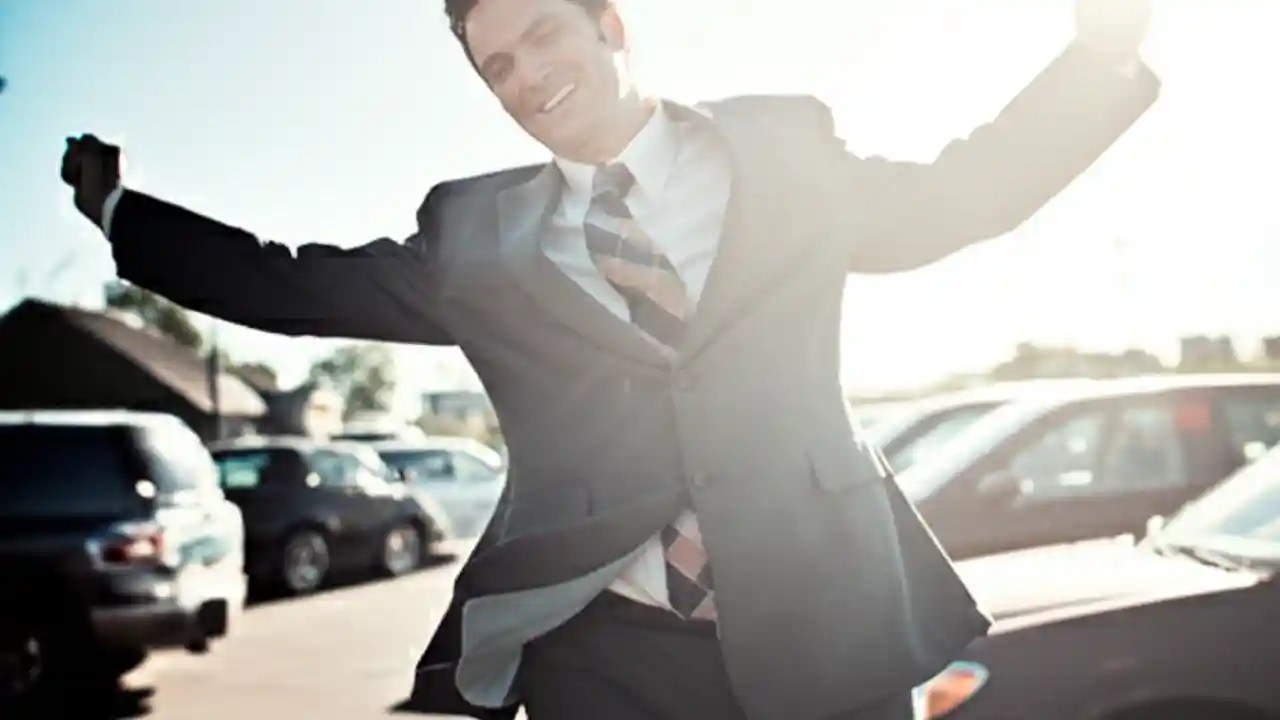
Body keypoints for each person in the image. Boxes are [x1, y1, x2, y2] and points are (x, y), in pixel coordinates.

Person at [60, 0, 1159, 717]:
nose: (525, 75)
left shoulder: (781, 150)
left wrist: (1098, 59)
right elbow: (290, 287)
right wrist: (122, 214)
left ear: (611, 25)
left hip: (821, 611)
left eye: (542, 35)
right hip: (604, 649)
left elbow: (958, 197)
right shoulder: (472, 240)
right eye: (496, 66)